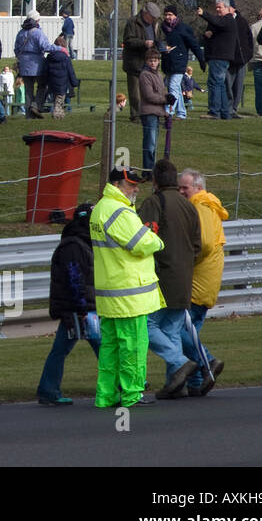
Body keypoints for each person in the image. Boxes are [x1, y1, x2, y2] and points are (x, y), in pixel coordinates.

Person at [90, 166, 163, 409]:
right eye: (131, 184)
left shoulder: (101, 207)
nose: (136, 188)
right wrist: (156, 238)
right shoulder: (119, 211)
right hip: (129, 295)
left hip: (110, 293)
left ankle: (106, 395)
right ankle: (132, 395)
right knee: (132, 347)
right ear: (118, 184)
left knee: (109, 349)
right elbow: (141, 243)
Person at [137, 159, 202, 399]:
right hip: (185, 277)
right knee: (172, 330)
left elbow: (140, 238)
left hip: (161, 277)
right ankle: (176, 384)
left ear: (155, 180)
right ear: (174, 180)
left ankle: (179, 362)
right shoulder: (188, 206)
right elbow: (198, 245)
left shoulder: (154, 202)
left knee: (145, 325)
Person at [36, 202, 100, 405]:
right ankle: (121, 386)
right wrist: (81, 309)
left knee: (62, 349)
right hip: (78, 309)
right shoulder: (74, 245)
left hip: (77, 307)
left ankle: (48, 389)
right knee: (103, 346)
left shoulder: (79, 242)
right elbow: (74, 279)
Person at [178, 168, 227, 396]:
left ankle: (208, 362)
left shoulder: (201, 205)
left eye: (184, 187)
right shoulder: (205, 204)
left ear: (198, 188)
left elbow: (205, 244)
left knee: (178, 330)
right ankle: (196, 382)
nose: (180, 191)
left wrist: (183, 262)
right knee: (190, 331)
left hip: (198, 281)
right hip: (204, 280)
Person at [159, 6, 204, 119]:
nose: (167, 17)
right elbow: (158, 42)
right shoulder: (162, 28)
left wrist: (201, 59)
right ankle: (181, 113)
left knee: (173, 86)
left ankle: (169, 111)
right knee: (175, 88)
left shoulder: (183, 28)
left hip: (179, 61)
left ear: (175, 15)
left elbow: (194, 44)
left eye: (170, 14)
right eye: (166, 14)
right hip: (167, 61)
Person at [196, 0, 237, 119]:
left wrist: (204, 14)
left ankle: (214, 111)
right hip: (220, 57)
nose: (218, 10)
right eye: (217, 8)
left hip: (219, 56)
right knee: (221, 85)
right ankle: (224, 112)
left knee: (214, 83)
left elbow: (217, 22)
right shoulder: (224, 21)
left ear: (227, 8)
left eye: (220, 7)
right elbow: (214, 26)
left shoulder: (227, 20)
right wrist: (207, 34)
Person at [122, 2, 162, 122]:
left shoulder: (156, 24)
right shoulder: (132, 22)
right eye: (152, 17)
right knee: (135, 92)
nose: (153, 19)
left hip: (151, 61)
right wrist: (143, 43)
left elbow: (160, 38)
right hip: (135, 62)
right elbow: (128, 41)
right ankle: (136, 115)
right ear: (145, 13)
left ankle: (152, 112)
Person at [14, 10, 54, 118]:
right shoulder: (37, 32)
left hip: (24, 65)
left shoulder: (21, 33)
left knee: (28, 90)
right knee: (42, 86)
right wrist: (58, 48)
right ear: (36, 20)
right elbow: (45, 47)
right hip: (37, 64)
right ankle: (36, 106)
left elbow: (16, 49)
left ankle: (28, 115)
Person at [139, 48, 167, 169]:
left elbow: (161, 92)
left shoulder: (159, 75)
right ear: (146, 61)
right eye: (150, 61)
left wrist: (168, 97)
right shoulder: (145, 75)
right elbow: (149, 95)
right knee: (150, 144)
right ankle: (148, 170)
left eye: (155, 60)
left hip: (157, 112)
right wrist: (165, 99)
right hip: (148, 112)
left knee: (154, 144)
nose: (153, 63)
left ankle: (152, 168)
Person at [225, 2, 255, 116]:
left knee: (238, 86)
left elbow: (249, 39)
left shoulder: (242, 21)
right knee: (228, 85)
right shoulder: (224, 20)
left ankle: (234, 108)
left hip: (241, 60)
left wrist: (248, 55)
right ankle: (228, 108)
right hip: (229, 58)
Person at [43, 35, 79, 119]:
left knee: (55, 98)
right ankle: (56, 114)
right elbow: (70, 71)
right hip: (62, 82)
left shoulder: (50, 57)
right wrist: (74, 82)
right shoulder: (65, 57)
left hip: (52, 81)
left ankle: (60, 114)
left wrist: (44, 81)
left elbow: (45, 70)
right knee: (60, 99)